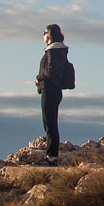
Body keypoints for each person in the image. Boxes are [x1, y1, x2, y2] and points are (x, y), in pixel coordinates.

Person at [35, 24, 69, 165]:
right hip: (55, 91)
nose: (42, 35)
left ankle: (51, 156)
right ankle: (52, 155)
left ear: (49, 34)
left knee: (49, 124)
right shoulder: (59, 51)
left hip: (49, 91)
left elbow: (50, 73)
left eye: (44, 32)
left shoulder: (53, 52)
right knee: (51, 123)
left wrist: (39, 79)